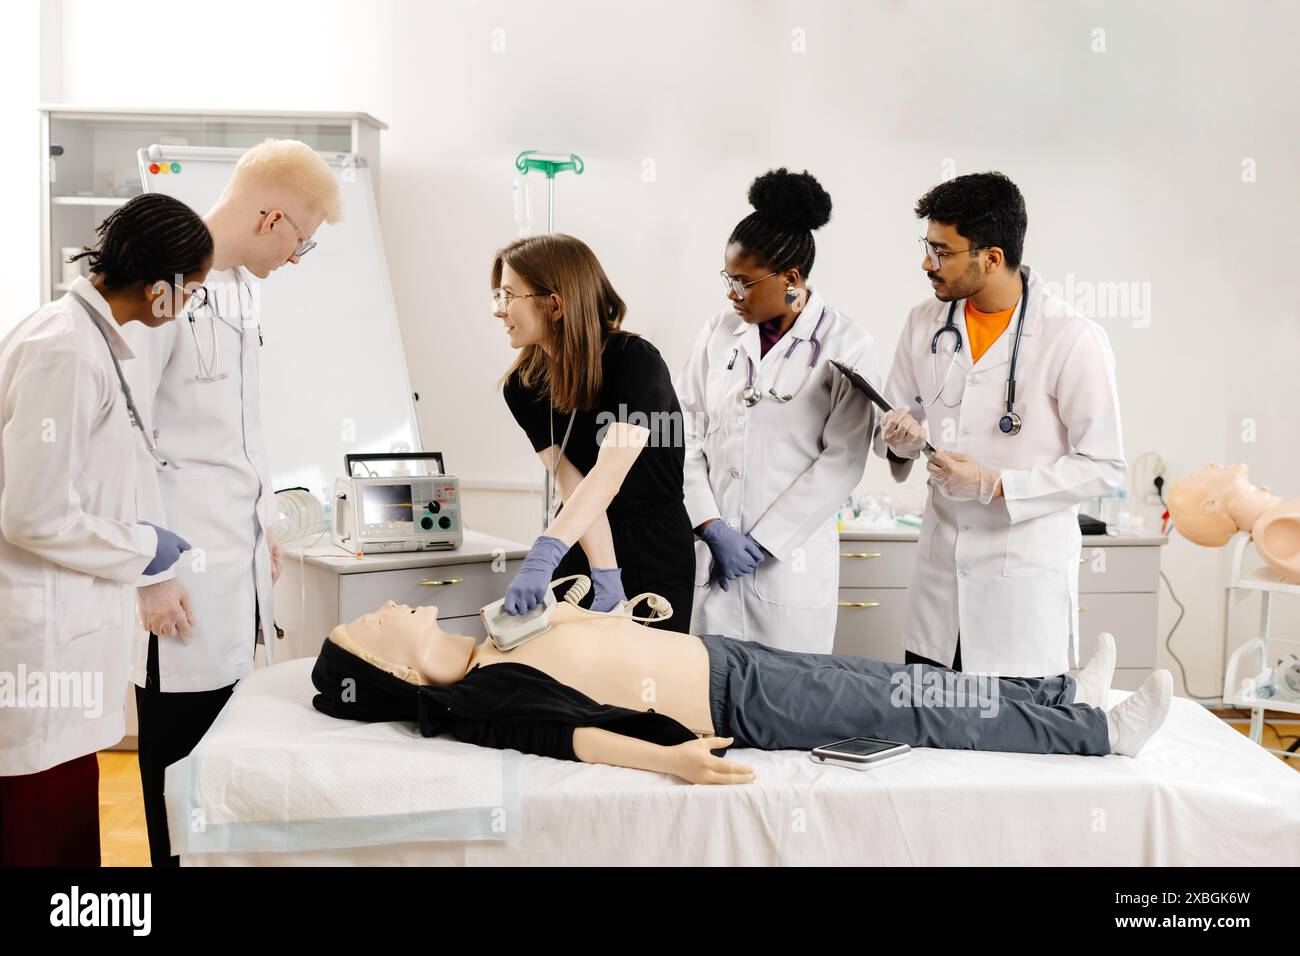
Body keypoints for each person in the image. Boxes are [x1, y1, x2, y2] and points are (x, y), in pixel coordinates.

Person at [120, 139, 343, 865]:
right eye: (301, 244)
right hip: (178, 571)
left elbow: (241, 427)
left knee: (222, 752)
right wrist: (150, 574)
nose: (295, 258)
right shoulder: (163, 284)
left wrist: (265, 526)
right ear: (273, 217)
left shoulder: (246, 288)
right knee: (176, 754)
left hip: (235, 564)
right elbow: (129, 436)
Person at [311, 598, 1174, 786]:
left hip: (731, 658)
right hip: (743, 707)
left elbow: (597, 646)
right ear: (389, 670)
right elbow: (565, 739)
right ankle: (1099, 735)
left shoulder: (492, 636)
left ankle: (1061, 693)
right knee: (916, 708)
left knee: (905, 681)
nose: (385, 607)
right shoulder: (480, 697)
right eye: (370, 623)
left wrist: (611, 615)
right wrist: (671, 761)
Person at [0, 193, 210, 865]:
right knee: (38, 830)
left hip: (65, 635)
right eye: (193, 291)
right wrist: (144, 547)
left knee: (64, 823)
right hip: (39, 641)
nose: (191, 306)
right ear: (160, 287)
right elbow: (32, 514)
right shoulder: (64, 350)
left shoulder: (87, 341)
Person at [875, 172, 1125, 676]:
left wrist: (995, 485)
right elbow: (896, 419)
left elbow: (1104, 467)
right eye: (927, 246)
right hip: (939, 585)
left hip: (1020, 589)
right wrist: (898, 439)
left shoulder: (1070, 338)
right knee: (931, 737)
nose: (927, 263)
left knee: (1016, 745)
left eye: (942, 251)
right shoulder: (925, 322)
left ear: (990, 257)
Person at [676, 168, 877, 652]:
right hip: (715, 554)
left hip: (789, 566)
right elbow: (684, 431)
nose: (732, 294)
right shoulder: (718, 331)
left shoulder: (846, 342)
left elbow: (842, 459)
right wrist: (710, 524)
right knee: (713, 699)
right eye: (728, 279)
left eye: (743, 282)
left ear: (790, 280)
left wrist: (765, 541)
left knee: (789, 706)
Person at [496, 234, 695, 631]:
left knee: (648, 683)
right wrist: (604, 572)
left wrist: (544, 552)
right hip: (581, 534)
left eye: (508, 296)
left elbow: (608, 476)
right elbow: (573, 483)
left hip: (653, 545)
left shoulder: (635, 363)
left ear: (554, 304)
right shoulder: (523, 387)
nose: (499, 312)